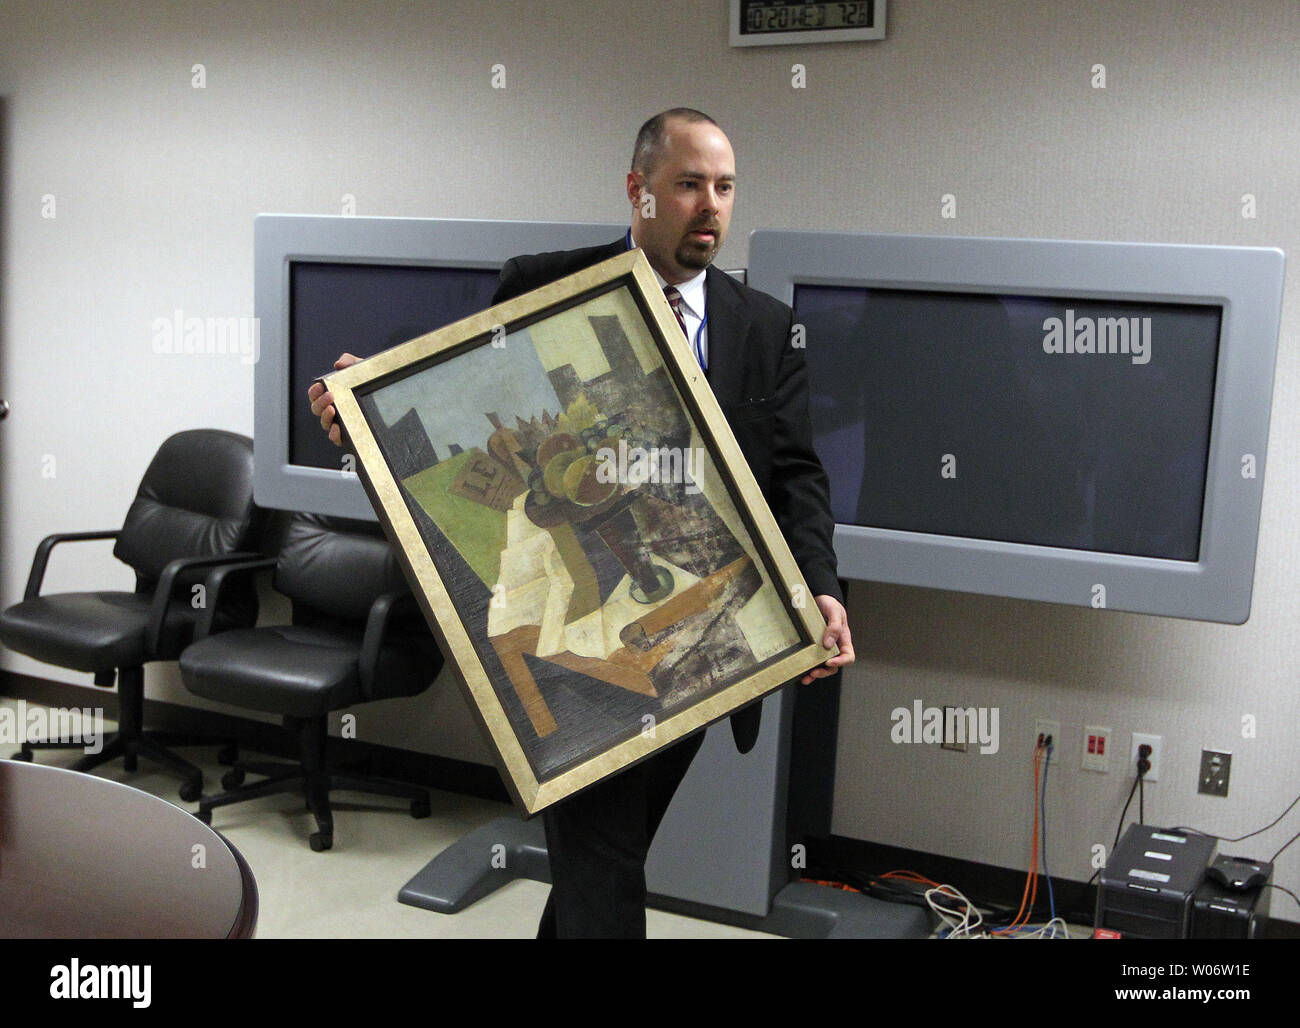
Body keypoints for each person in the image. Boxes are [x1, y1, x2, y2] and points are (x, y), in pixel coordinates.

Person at [308, 108, 854, 938]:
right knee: (604, 875)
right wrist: (364, 405)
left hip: (702, 650)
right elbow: (450, 382)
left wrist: (820, 588)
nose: (710, 204)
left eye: (724, 186)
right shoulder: (543, 286)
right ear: (637, 191)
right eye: (687, 185)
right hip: (574, 657)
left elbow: (797, 477)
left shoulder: (765, 327)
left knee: (609, 863)